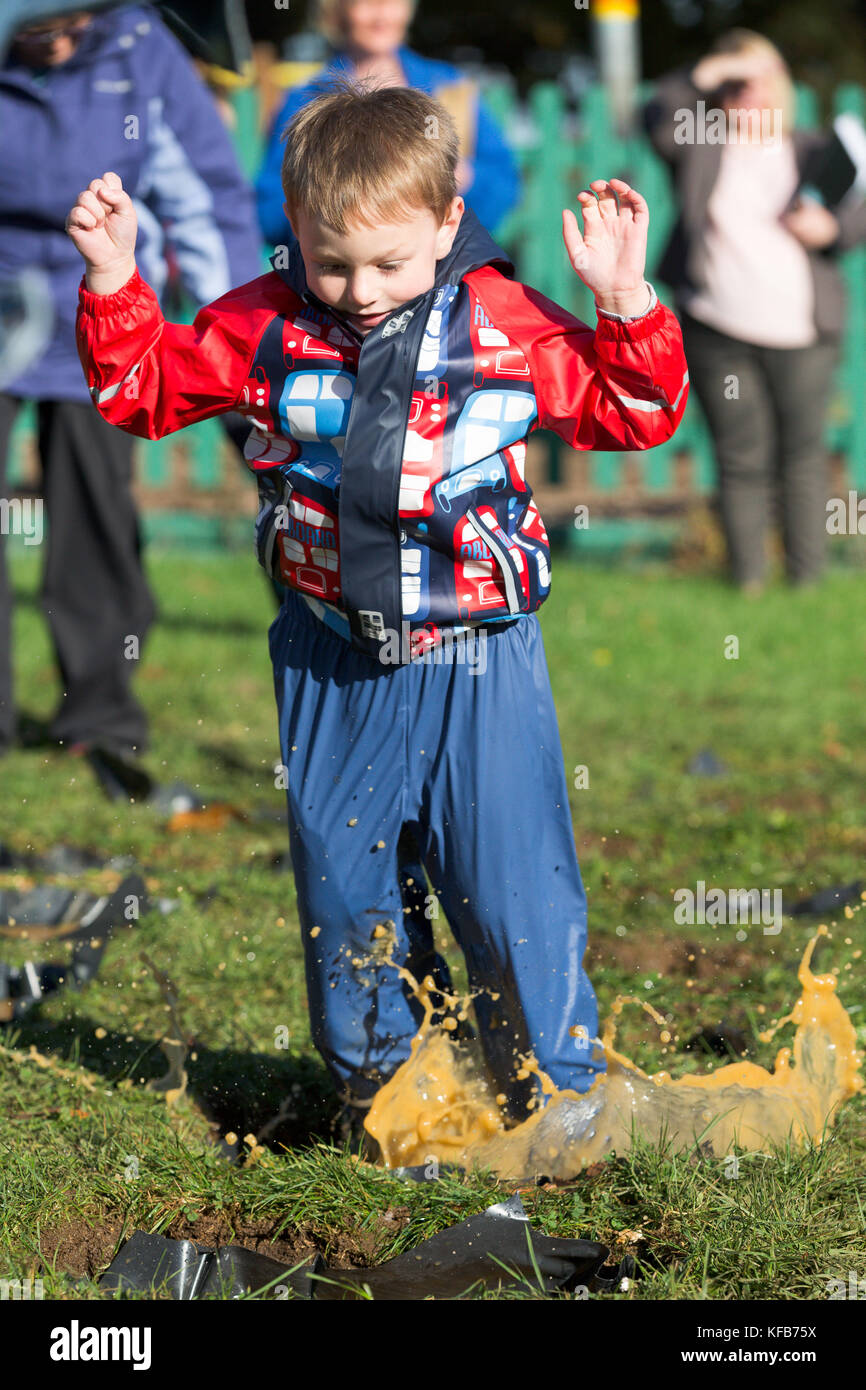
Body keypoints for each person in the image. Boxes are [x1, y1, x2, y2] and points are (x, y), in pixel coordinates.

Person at [69, 84, 688, 1140]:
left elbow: (634, 413)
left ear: (448, 225)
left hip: (476, 656)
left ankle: (557, 1099)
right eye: (330, 262)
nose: (360, 291)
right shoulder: (264, 323)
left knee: (506, 890)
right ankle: (387, 1099)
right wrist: (116, 279)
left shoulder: (502, 321)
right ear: (294, 237)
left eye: (390, 264)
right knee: (346, 887)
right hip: (328, 658)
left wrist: (623, 305)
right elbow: (142, 390)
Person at [0, 4, 261, 757]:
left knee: (92, 515)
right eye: (39, 27)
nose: (60, 41)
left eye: (75, 21)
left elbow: (204, 198)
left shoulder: (141, 49)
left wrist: (238, 343)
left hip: (101, 304)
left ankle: (98, 720)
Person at [645, 30, 866, 591]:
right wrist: (712, 68)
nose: (751, 95)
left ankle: (805, 583)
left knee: (803, 456)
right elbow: (655, 113)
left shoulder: (815, 150)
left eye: (762, 79)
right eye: (737, 85)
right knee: (741, 458)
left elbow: (859, 210)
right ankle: (747, 583)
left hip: (803, 332)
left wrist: (833, 227)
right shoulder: (700, 146)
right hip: (718, 327)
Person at [255, 0, 520, 249]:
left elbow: (505, 184)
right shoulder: (306, 100)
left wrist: (464, 178)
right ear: (339, 9)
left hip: (442, 276)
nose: (381, 16)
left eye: (392, 2)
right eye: (367, 3)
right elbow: (270, 209)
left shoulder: (449, 89)